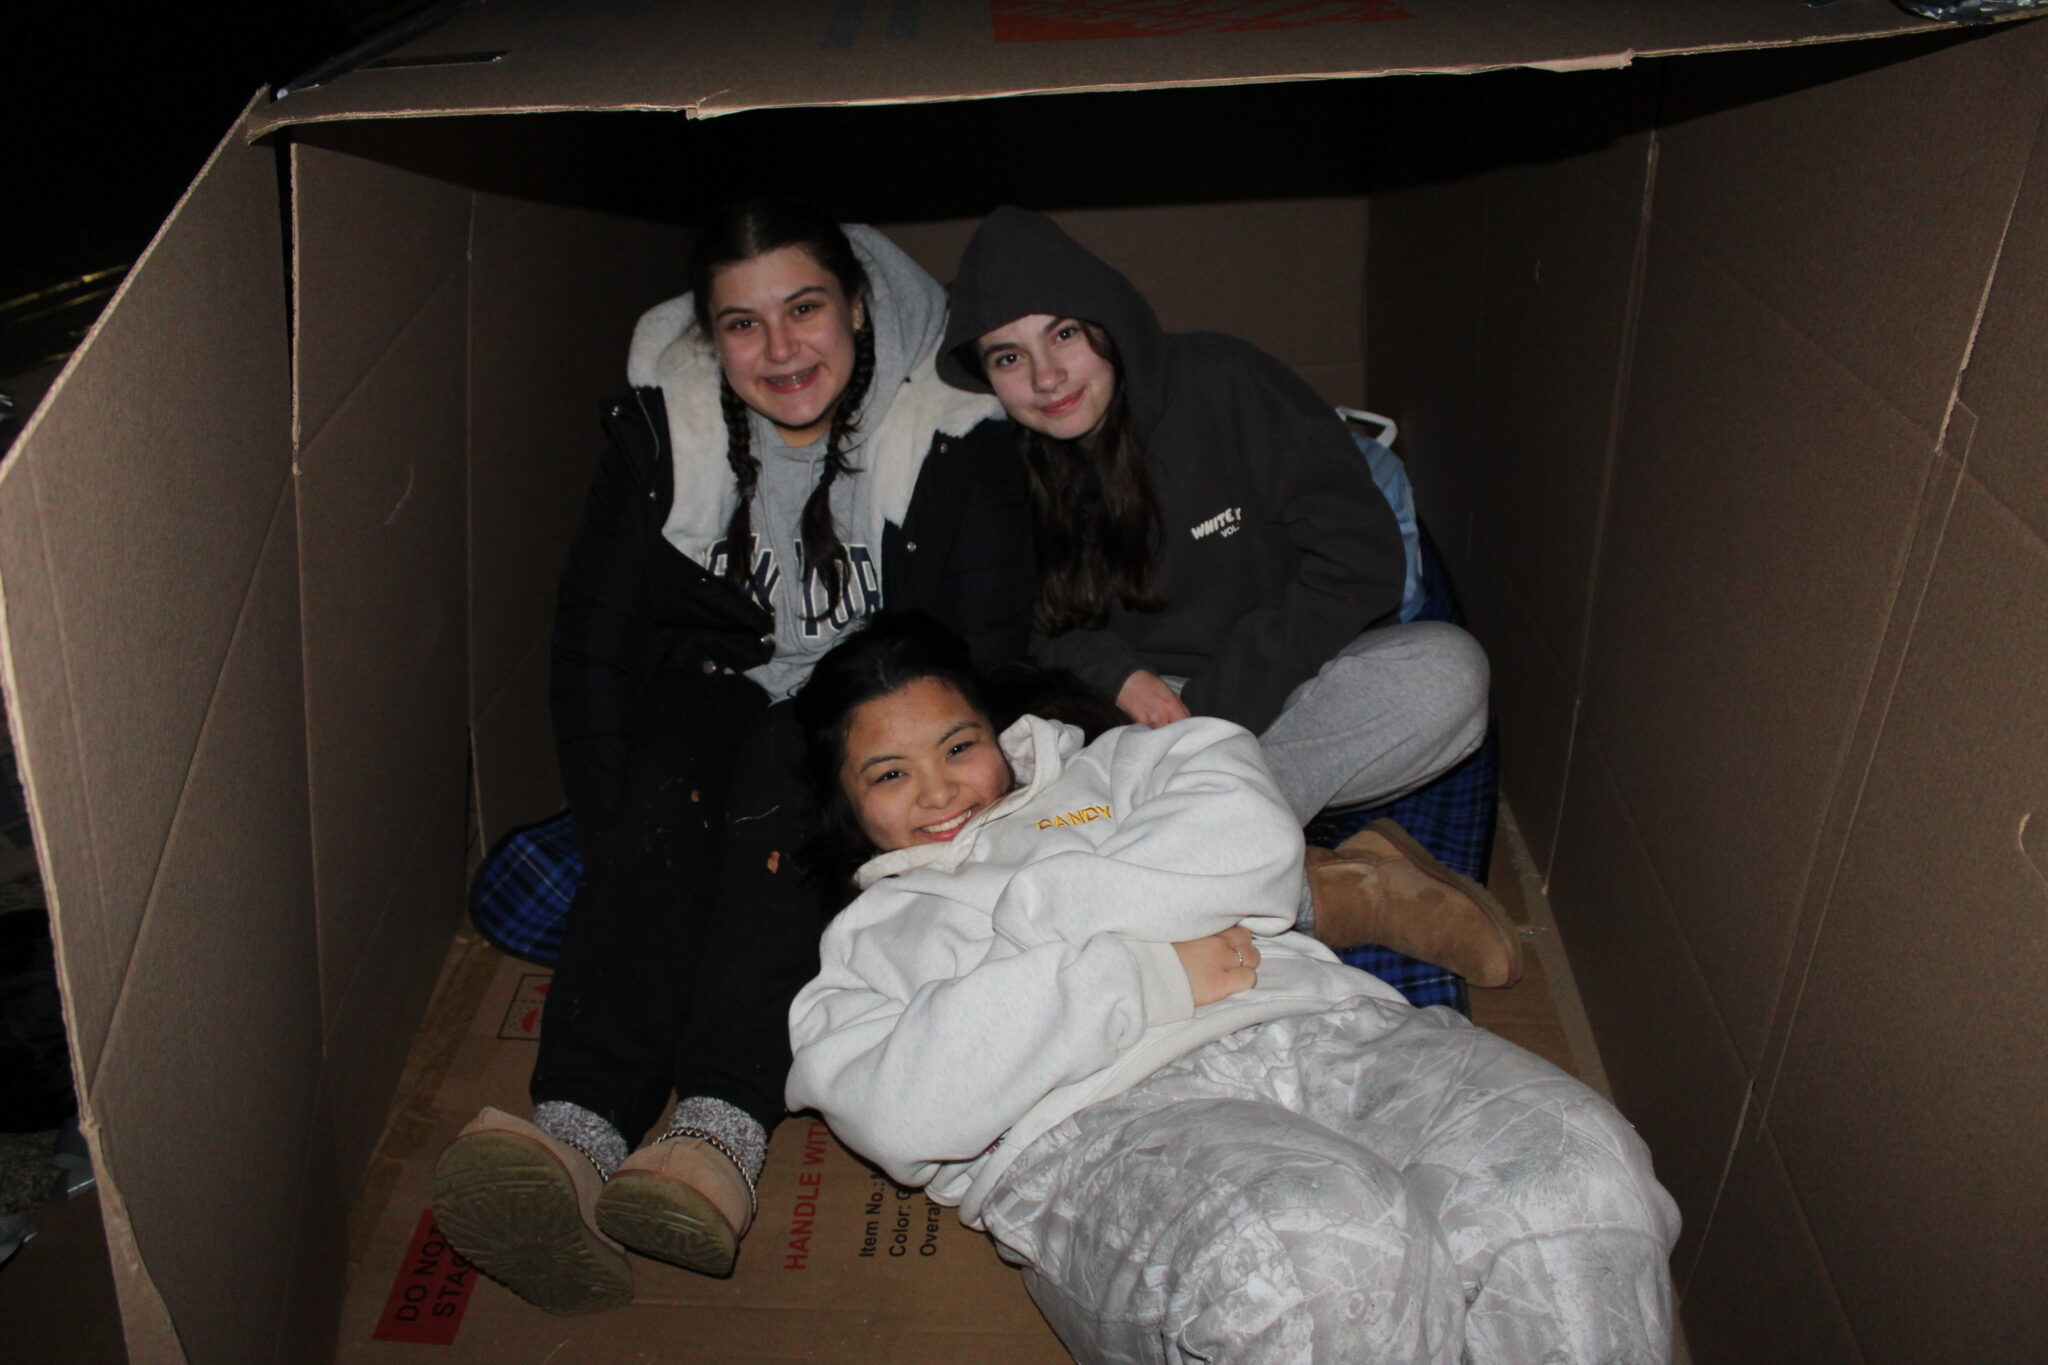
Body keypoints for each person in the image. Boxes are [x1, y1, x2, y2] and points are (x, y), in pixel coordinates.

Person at [431, 201, 1034, 1313]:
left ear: (855, 305)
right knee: (670, 765)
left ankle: (718, 1128)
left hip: (872, 726)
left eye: (805, 309)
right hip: (706, 714)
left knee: (776, 774)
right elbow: (594, 647)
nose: (781, 350)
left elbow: (983, 657)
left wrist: (895, 792)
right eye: (743, 325)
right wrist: (632, 844)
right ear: (710, 338)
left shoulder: (959, 432)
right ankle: (574, 1129)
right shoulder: (663, 435)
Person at [786, 615, 1680, 1364]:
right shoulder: (867, 942)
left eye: (958, 745)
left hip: (1327, 1028)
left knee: (1572, 1167)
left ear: (997, 732)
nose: (942, 789)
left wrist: (1042, 911)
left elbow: (1249, 832)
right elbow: (900, 1103)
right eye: (890, 773)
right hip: (1101, 1127)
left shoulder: (1119, 766)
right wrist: (1144, 970)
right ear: (845, 803)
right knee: (1316, 1257)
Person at [937, 206, 1521, 986]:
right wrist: (1116, 675)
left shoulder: (1226, 382)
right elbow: (1017, 628)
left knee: (1448, 674)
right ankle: (1338, 891)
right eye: (1009, 357)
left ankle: (1154, 875)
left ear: (1107, 325)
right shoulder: (998, 460)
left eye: (1065, 335)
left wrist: (1225, 706)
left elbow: (1364, 558)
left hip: (1287, 691)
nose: (1045, 378)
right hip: (1135, 728)